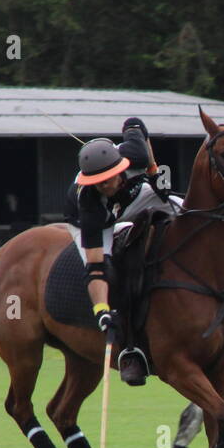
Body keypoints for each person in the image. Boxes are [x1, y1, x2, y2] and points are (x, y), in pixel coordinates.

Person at [62, 117, 159, 385]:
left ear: (121, 167)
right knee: (110, 270)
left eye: (109, 179)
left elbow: (135, 123)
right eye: (99, 182)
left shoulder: (135, 154)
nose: (106, 185)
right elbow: (95, 268)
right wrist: (102, 311)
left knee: (185, 210)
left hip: (135, 194)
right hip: (94, 221)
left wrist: (152, 170)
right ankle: (129, 350)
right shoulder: (89, 202)